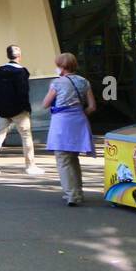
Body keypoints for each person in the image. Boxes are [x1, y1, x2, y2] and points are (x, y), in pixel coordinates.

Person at [42, 52, 96, 206]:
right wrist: (79, 113)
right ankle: (78, 192)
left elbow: (45, 104)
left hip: (62, 123)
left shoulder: (57, 83)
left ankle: (71, 195)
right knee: (74, 158)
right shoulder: (84, 81)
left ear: (61, 66)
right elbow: (92, 107)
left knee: (63, 158)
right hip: (79, 122)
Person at [0, 44, 43, 175]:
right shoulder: (21, 71)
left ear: (8, 55)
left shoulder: (0, 70)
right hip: (19, 111)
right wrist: (26, 108)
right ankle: (30, 166)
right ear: (19, 55)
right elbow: (23, 92)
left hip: (3, 110)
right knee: (26, 136)